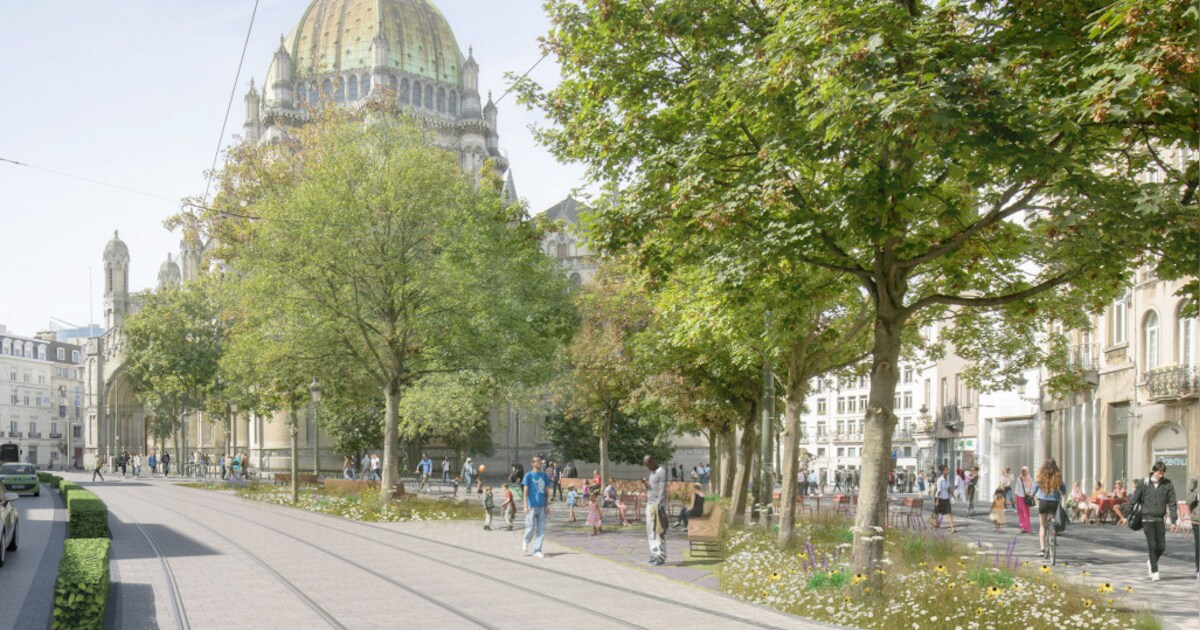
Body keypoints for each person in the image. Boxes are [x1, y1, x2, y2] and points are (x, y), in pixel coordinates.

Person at [1129, 461, 1178, 581]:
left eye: (1163, 473)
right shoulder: (1144, 482)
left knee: (1161, 547)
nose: (1161, 475)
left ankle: (1151, 562)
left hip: (1159, 518)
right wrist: (1125, 515)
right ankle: (1155, 572)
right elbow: (1134, 499)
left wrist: (1173, 521)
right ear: (1155, 471)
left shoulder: (1168, 484)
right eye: (1159, 473)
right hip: (1147, 518)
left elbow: (1172, 503)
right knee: (1152, 545)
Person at [1034, 459, 1065, 559]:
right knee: (1052, 517)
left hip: (1043, 501)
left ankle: (1042, 549)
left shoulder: (1041, 475)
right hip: (1054, 502)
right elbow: (1063, 489)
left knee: (1042, 525)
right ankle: (1053, 533)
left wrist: (1031, 495)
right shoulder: (1057, 476)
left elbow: (1035, 487)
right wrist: (1062, 493)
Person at [521, 456, 551, 558]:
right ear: (532, 463)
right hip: (531, 506)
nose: (539, 463)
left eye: (540, 461)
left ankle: (537, 550)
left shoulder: (544, 475)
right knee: (530, 527)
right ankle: (526, 540)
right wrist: (525, 505)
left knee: (541, 529)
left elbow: (547, 491)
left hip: (542, 506)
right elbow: (525, 492)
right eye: (537, 461)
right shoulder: (528, 475)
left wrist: (547, 505)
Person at [644, 455, 668, 565]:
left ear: (653, 462)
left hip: (656, 506)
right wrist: (646, 485)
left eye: (648, 465)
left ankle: (660, 556)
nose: (647, 468)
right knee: (650, 531)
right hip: (649, 504)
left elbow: (662, 489)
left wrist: (659, 505)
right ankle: (654, 554)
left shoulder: (661, 472)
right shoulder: (652, 473)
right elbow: (652, 488)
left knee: (658, 531)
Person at [930, 465, 958, 533]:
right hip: (939, 498)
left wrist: (953, 495)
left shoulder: (946, 479)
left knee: (949, 513)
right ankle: (933, 525)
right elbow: (939, 490)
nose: (948, 471)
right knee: (936, 512)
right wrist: (937, 501)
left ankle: (952, 528)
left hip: (946, 498)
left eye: (948, 470)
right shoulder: (940, 480)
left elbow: (948, 488)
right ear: (943, 471)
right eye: (946, 470)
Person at [1186, 476, 1198, 581]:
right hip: (1197, 521)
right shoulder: (1195, 481)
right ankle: (1199, 570)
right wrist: (1197, 492)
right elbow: (1188, 501)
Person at [1015, 466, 1033, 534]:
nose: (1023, 472)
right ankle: (1022, 526)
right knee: (1020, 512)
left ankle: (1027, 527)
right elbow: (1017, 487)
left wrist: (1029, 493)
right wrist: (1015, 496)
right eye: (1022, 470)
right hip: (1019, 496)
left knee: (1026, 513)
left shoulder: (1030, 479)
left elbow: (1032, 487)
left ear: (1027, 471)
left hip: (1026, 497)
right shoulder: (1019, 478)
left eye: (1025, 471)